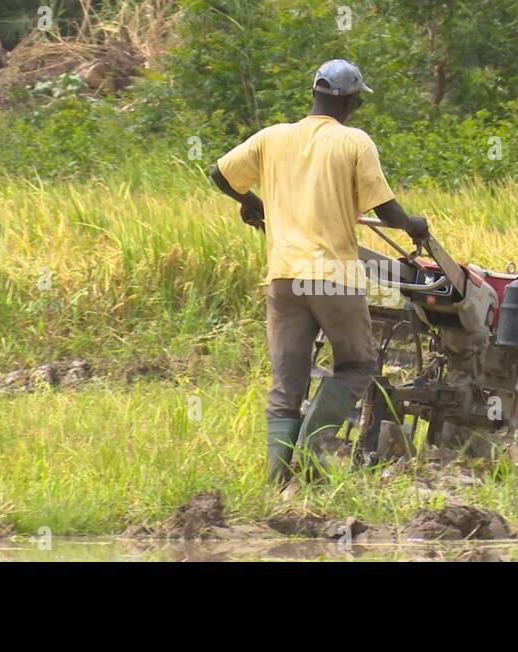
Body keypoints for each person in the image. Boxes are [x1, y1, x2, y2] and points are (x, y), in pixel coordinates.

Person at [210, 59, 429, 484]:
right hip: (333, 278)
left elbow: (219, 174)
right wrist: (414, 225)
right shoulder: (354, 142)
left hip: (285, 278)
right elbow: (386, 208)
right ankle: (311, 446)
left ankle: (278, 484)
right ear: (350, 101)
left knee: (286, 385)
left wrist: (254, 203)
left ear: (315, 95)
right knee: (356, 367)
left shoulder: (272, 137)